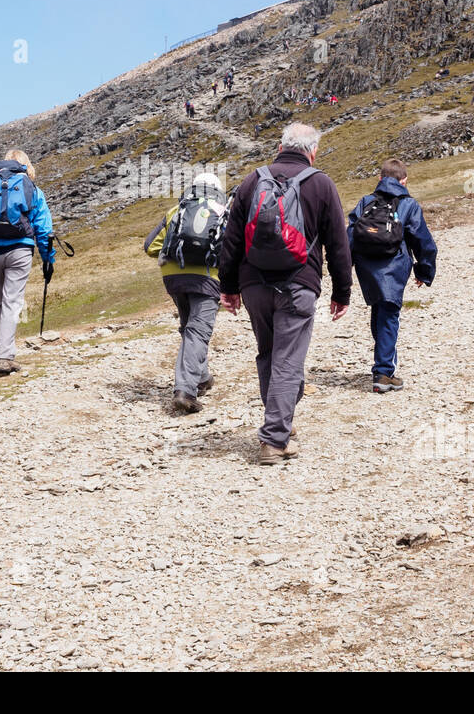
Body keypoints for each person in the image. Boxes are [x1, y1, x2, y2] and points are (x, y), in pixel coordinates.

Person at [217, 123, 352, 465]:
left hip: (254, 284)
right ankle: (275, 439)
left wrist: (229, 288)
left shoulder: (252, 180)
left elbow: (231, 240)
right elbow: (338, 243)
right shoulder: (321, 183)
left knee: (268, 353)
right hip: (299, 283)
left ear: (280, 146)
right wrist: (342, 292)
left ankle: (280, 419)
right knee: (289, 359)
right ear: (313, 150)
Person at [346, 160, 437, 392]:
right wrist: (424, 271)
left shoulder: (366, 202)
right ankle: (384, 373)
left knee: (379, 310)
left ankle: (382, 364)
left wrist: (343, 269)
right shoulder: (409, 205)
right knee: (389, 313)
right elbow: (423, 241)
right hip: (394, 268)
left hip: (366, 268)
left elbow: (350, 237)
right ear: (404, 181)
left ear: (380, 178)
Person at [143, 173, 228, 414]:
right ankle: (185, 390)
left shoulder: (176, 211)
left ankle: (201, 378)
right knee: (198, 332)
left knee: (189, 328)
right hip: (207, 278)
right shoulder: (222, 210)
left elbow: (150, 246)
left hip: (174, 277)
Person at [0, 149, 56, 375]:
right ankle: (4, 356)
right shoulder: (33, 190)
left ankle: (3, 352)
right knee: (12, 302)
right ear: (26, 165)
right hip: (19, 250)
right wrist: (48, 260)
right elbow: (43, 229)